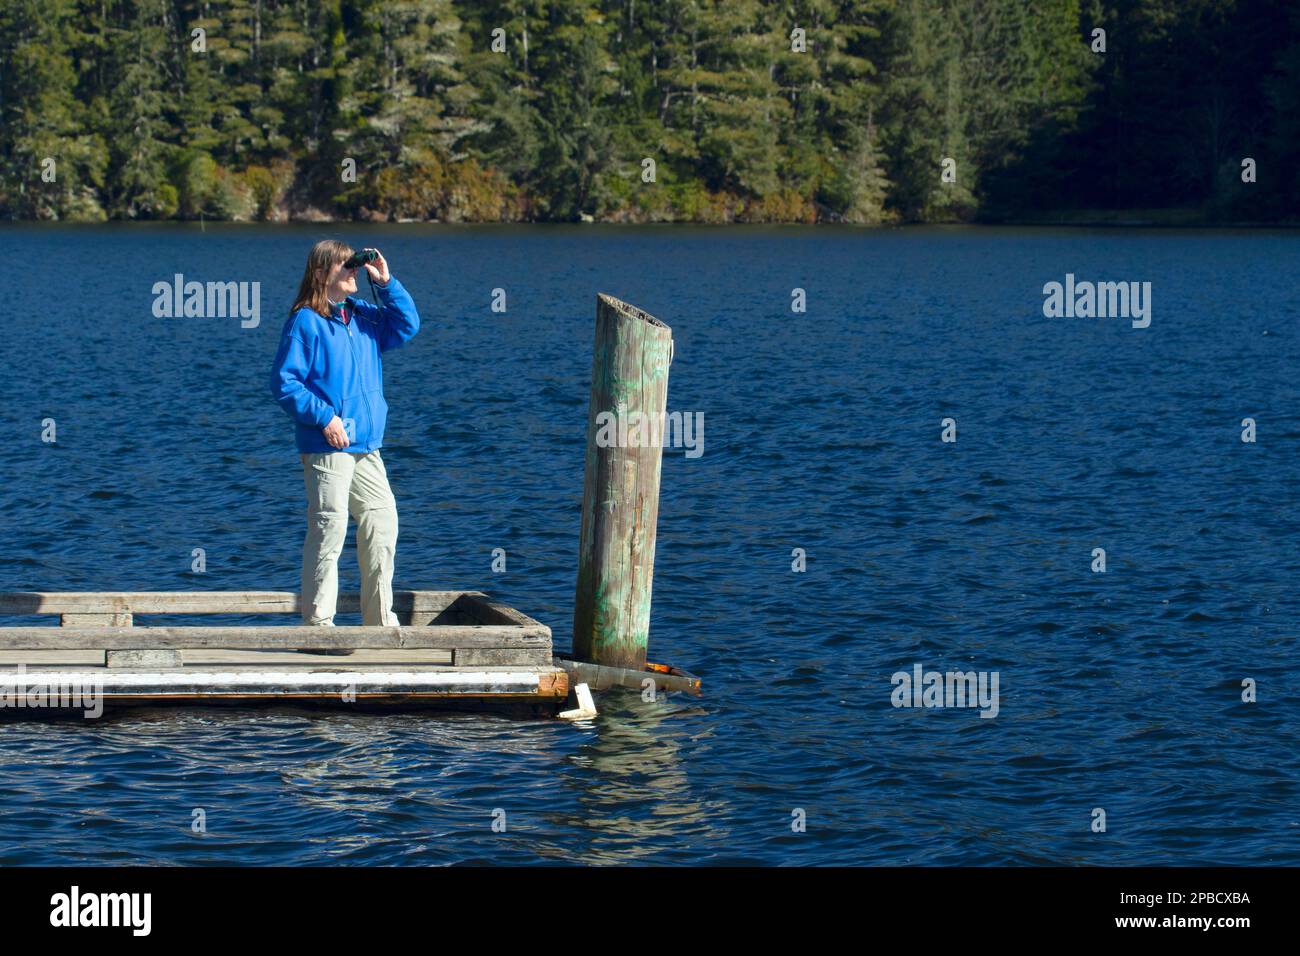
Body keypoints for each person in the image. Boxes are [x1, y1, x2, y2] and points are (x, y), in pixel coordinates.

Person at [270, 240, 421, 650]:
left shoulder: (364, 317)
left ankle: (379, 624)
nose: (353, 272)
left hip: (366, 446)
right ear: (321, 275)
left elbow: (407, 326)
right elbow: (284, 383)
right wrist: (325, 417)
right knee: (330, 527)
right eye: (345, 266)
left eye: (354, 265)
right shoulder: (306, 321)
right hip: (328, 444)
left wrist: (386, 282)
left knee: (381, 523)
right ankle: (317, 627)